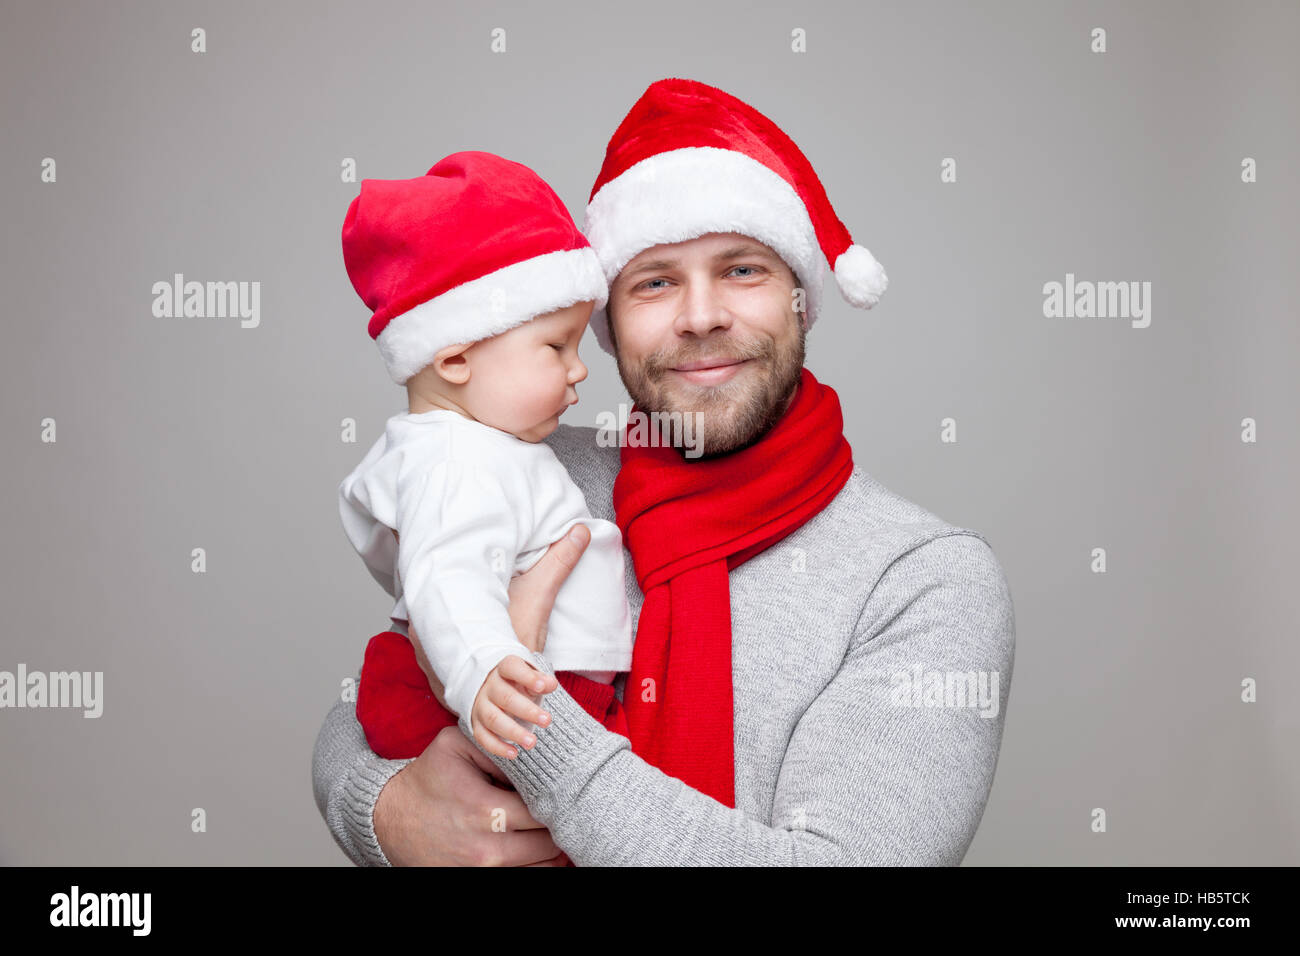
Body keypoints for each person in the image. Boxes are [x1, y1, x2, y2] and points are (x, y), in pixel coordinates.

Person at [313, 78, 1016, 866]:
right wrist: (386, 813)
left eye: (743, 269)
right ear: (607, 320)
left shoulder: (921, 578)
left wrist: (528, 734)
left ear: (799, 297)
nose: (701, 315)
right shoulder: (536, 465)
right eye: (654, 281)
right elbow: (366, 705)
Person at [335, 150, 632, 762]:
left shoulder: (481, 444)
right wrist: (483, 670)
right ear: (454, 357)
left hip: (546, 687)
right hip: (521, 690)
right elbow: (444, 573)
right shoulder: (454, 460)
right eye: (556, 346)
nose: (580, 369)